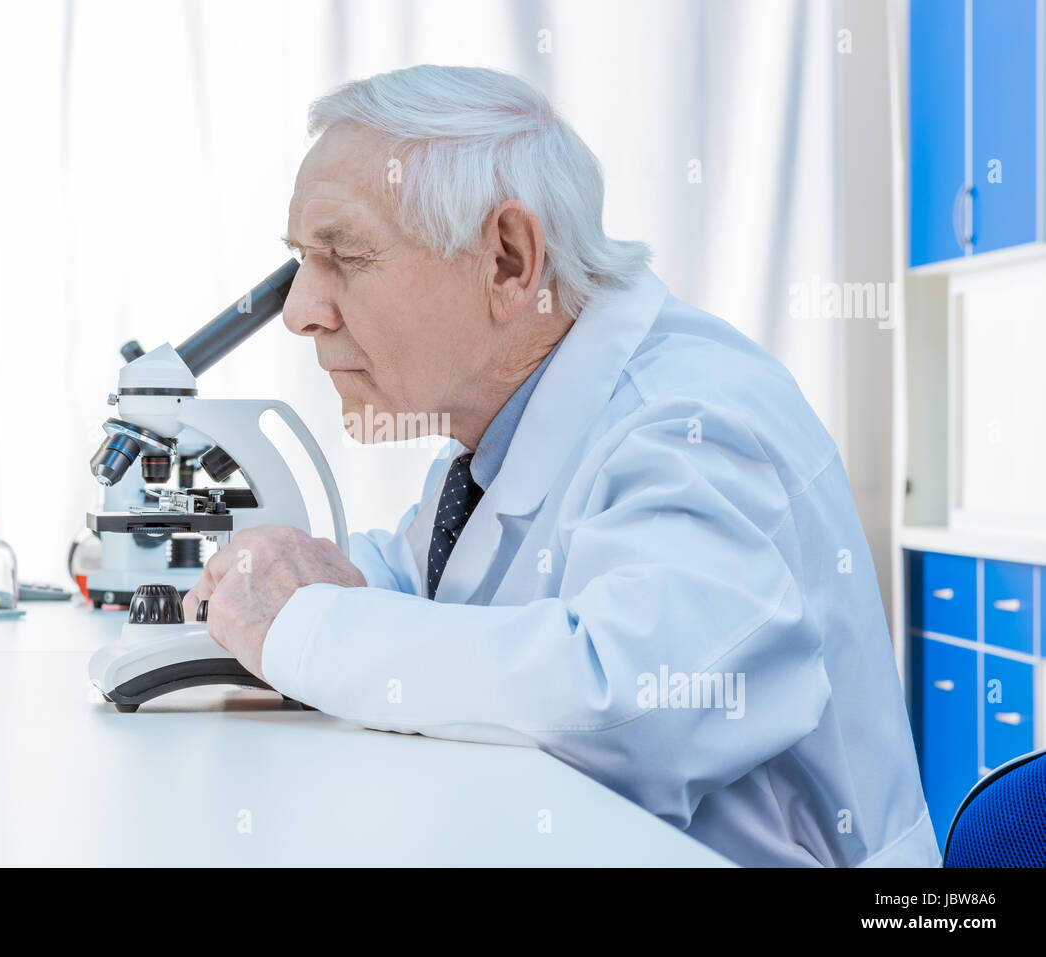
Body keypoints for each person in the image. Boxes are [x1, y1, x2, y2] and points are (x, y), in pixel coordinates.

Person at [181, 64, 939, 867]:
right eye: (301, 260)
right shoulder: (496, 428)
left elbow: (631, 703)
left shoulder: (693, 420)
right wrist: (298, 574)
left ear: (509, 260)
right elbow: (429, 587)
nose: (301, 311)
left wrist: (305, 627)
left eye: (343, 254)